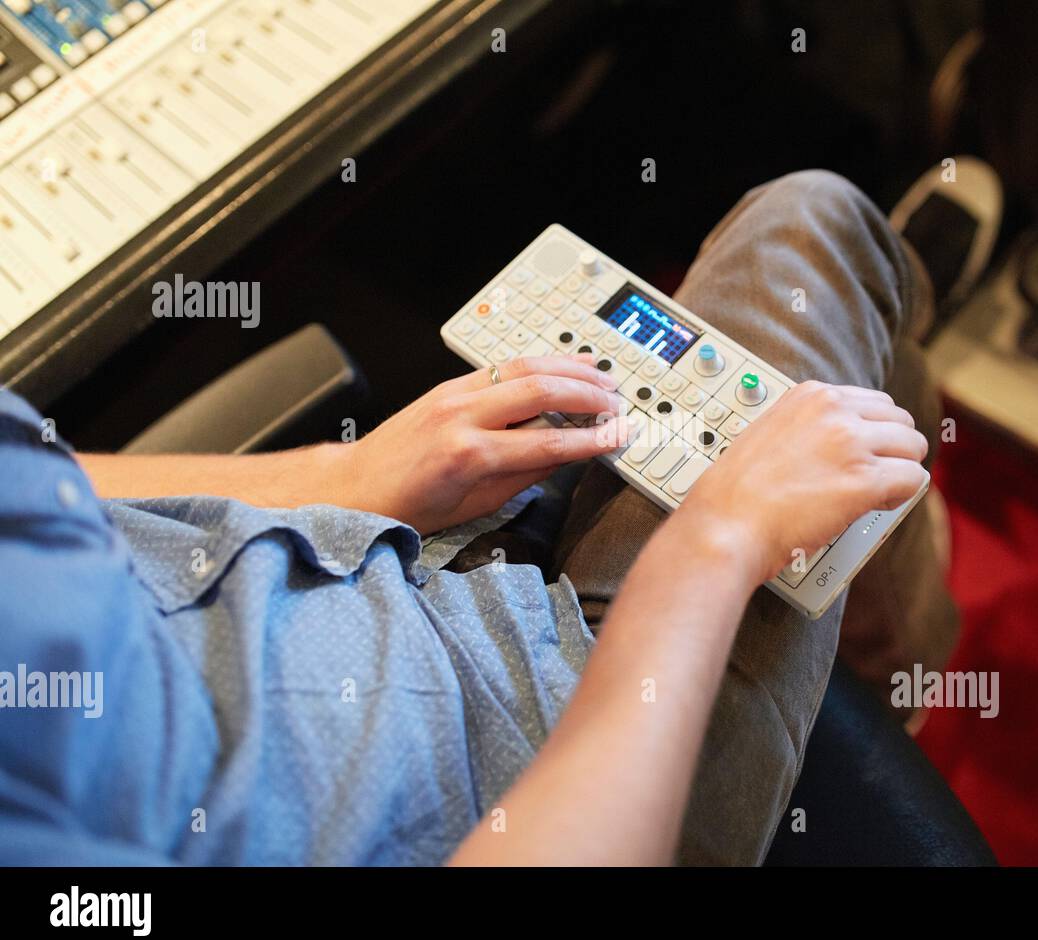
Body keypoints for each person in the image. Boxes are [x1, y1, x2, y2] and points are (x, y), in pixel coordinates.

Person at [0, 170, 954, 866]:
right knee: (817, 224)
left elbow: (42, 476)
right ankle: (889, 639)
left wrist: (341, 473)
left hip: (358, 557)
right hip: (547, 766)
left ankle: (868, 568)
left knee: (782, 365)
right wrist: (721, 538)